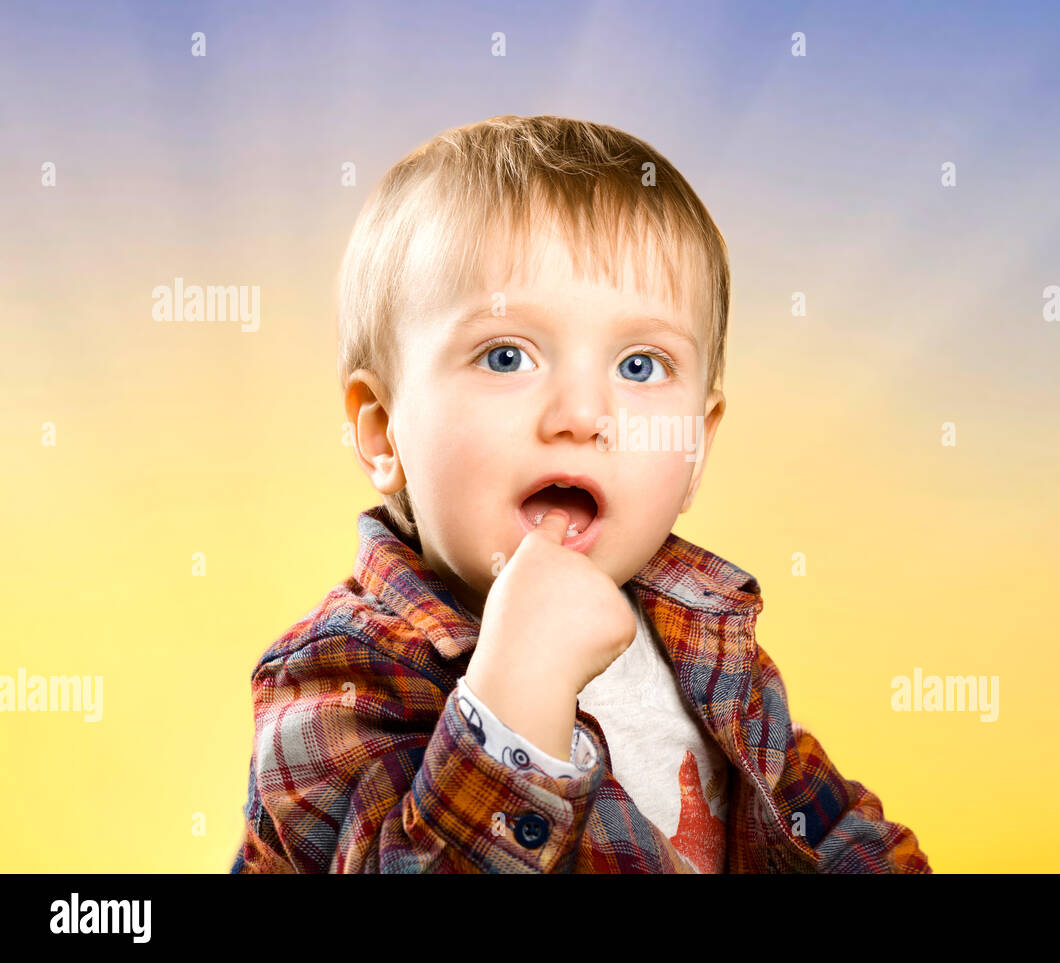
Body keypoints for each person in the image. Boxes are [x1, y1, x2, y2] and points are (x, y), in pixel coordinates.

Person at [230, 114, 931, 873]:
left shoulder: (708, 636)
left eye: (639, 366)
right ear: (382, 431)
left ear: (697, 444)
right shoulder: (340, 674)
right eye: (506, 355)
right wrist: (514, 695)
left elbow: (822, 830)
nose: (581, 416)